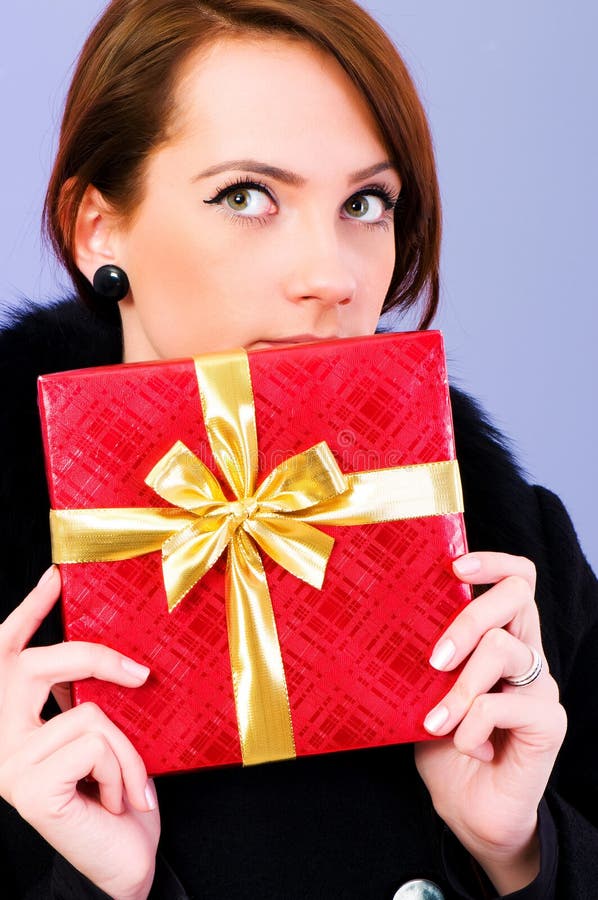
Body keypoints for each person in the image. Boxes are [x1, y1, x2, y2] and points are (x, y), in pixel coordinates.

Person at [0, 1, 595, 897]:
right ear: (98, 228)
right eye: (247, 196)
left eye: (366, 203)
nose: (333, 275)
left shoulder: (512, 556)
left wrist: (519, 853)